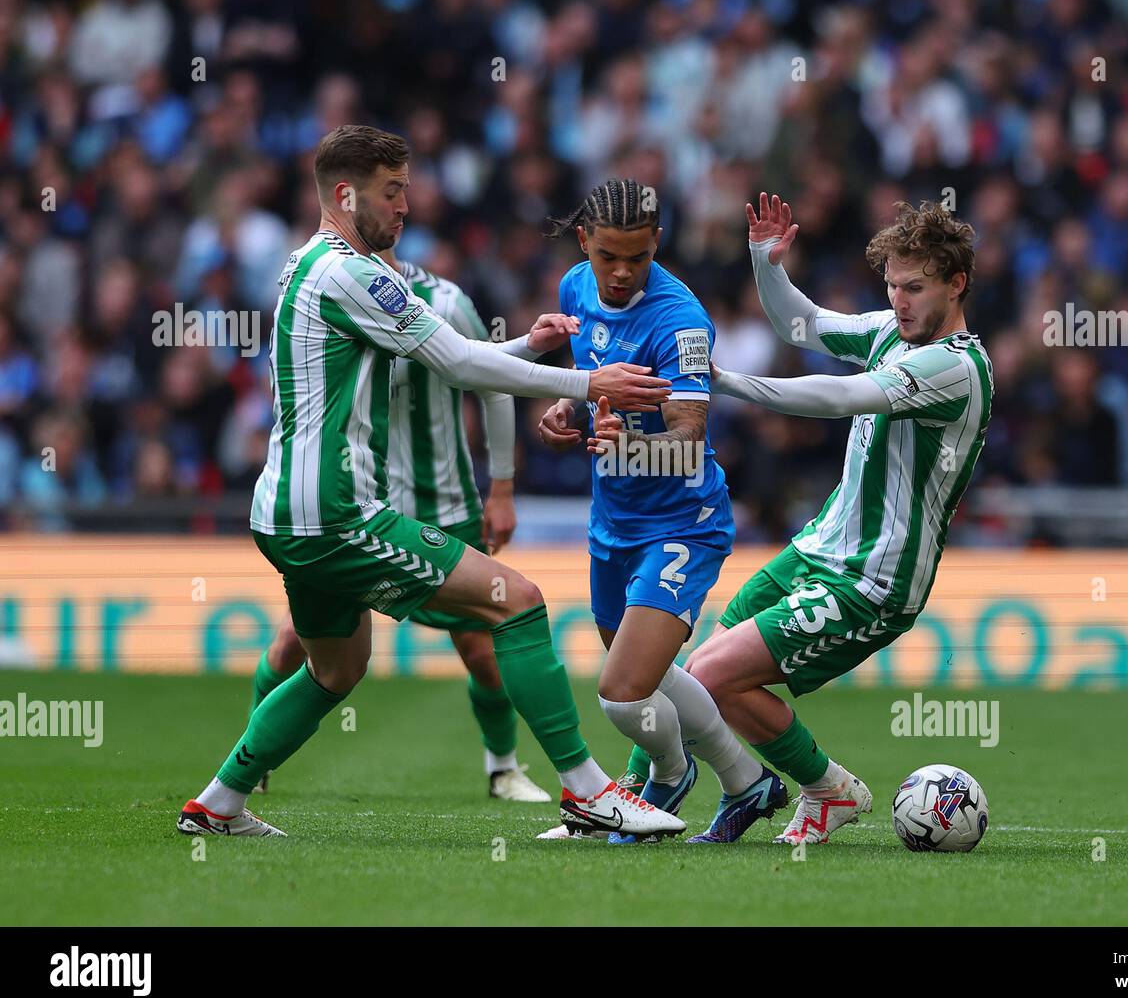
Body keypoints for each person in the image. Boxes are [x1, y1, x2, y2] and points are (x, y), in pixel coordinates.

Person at [176, 125, 684, 841]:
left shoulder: (309, 265)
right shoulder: (354, 272)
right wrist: (587, 380)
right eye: (394, 191)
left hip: (283, 511)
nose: (407, 205)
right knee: (518, 600)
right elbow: (460, 368)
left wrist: (525, 347)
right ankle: (588, 791)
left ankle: (216, 805)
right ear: (347, 195)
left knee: (336, 668)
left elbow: (448, 358)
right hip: (336, 512)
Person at [590, 194, 993, 844]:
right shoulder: (896, 331)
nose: (899, 301)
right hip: (818, 549)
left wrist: (726, 382)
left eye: (914, 288)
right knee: (690, 663)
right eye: (892, 286)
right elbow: (802, 326)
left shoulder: (957, 368)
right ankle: (637, 795)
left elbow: (841, 396)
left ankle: (823, 788)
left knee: (714, 677)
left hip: (873, 579)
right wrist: (766, 264)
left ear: (957, 283)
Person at [247, 241, 550, 804]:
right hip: (358, 504)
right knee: (299, 641)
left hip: (446, 503)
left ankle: (503, 768)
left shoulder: (444, 301)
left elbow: (491, 377)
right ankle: (254, 755)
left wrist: (502, 486)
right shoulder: (331, 290)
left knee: (483, 645)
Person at [535, 179, 780, 843]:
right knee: (651, 674)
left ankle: (667, 777)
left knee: (620, 689)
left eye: (636, 258)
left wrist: (633, 441)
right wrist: (571, 407)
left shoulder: (682, 320)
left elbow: (689, 431)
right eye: (607, 255)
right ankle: (747, 783)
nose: (619, 273)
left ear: (657, 245)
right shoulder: (573, 288)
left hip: (682, 523)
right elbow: (596, 381)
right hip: (612, 520)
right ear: (584, 240)